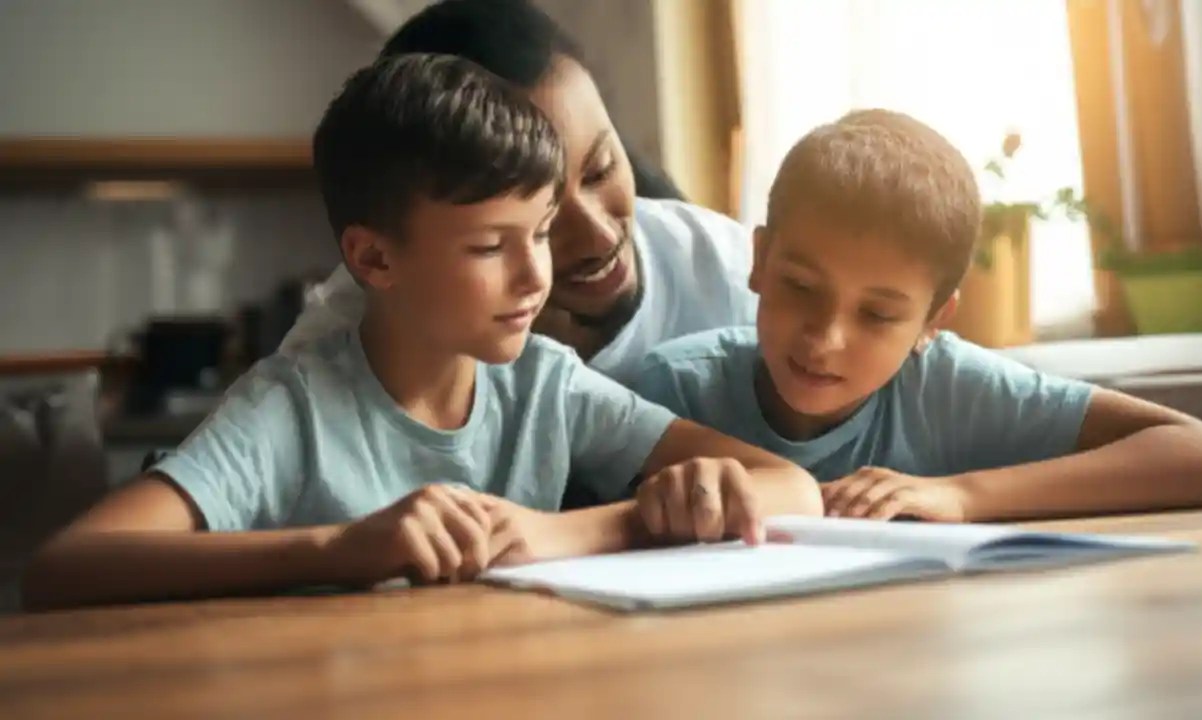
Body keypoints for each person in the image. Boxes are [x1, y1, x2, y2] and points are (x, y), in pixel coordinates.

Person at [21, 55, 822, 611]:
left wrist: (574, 529)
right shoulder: (294, 408)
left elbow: (796, 489)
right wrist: (337, 551)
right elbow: (63, 569)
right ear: (373, 257)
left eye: (539, 232)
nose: (534, 275)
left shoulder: (546, 383)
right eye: (487, 246)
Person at [632, 109, 1202, 523]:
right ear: (761, 260)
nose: (825, 340)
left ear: (934, 322)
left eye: (878, 315)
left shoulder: (946, 388)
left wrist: (961, 495)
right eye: (800, 286)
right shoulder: (672, 388)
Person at [282, 0, 756, 389]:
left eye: (600, 170)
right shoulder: (350, 349)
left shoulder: (737, 280)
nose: (596, 237)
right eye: (541, 217)